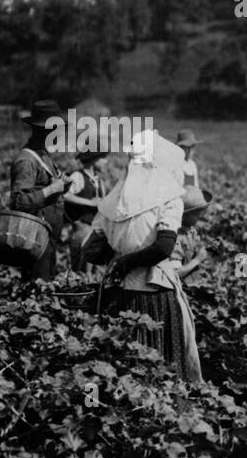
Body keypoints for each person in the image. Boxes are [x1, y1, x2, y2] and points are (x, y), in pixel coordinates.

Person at [83, 133, 203, 384]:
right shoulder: (168, 199)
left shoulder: (114, 201)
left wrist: (119, 257)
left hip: (119, 292)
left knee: (125, 366)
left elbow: (91, 251)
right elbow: (163, 248)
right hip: (154, 294)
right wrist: (128, 261)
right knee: (161, 364)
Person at [7, 100, 70, 280]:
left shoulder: (43, 156)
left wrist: (61, 187)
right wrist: (51, 189)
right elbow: (18, 201)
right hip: (34, 239)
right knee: (37, 288)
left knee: (45, 286)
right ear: (46, 131)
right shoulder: (26, 160)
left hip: (45, 239)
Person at [64, 150, 111, 274]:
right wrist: (90, 202)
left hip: (97, 230)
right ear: (94, 160)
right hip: (82, 227)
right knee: (82, 270)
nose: (106, 162)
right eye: (103, 158)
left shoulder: (99, 181)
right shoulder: (77, 176)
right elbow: (65, 195)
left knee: (96, 272)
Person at [173, 185, 211, 282]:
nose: (200, 216)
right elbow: (174, 273)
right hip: (182, 288)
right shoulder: (176, 238)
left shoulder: (191, 231)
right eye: (196, 213)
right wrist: (197, 260)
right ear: (184, 215)